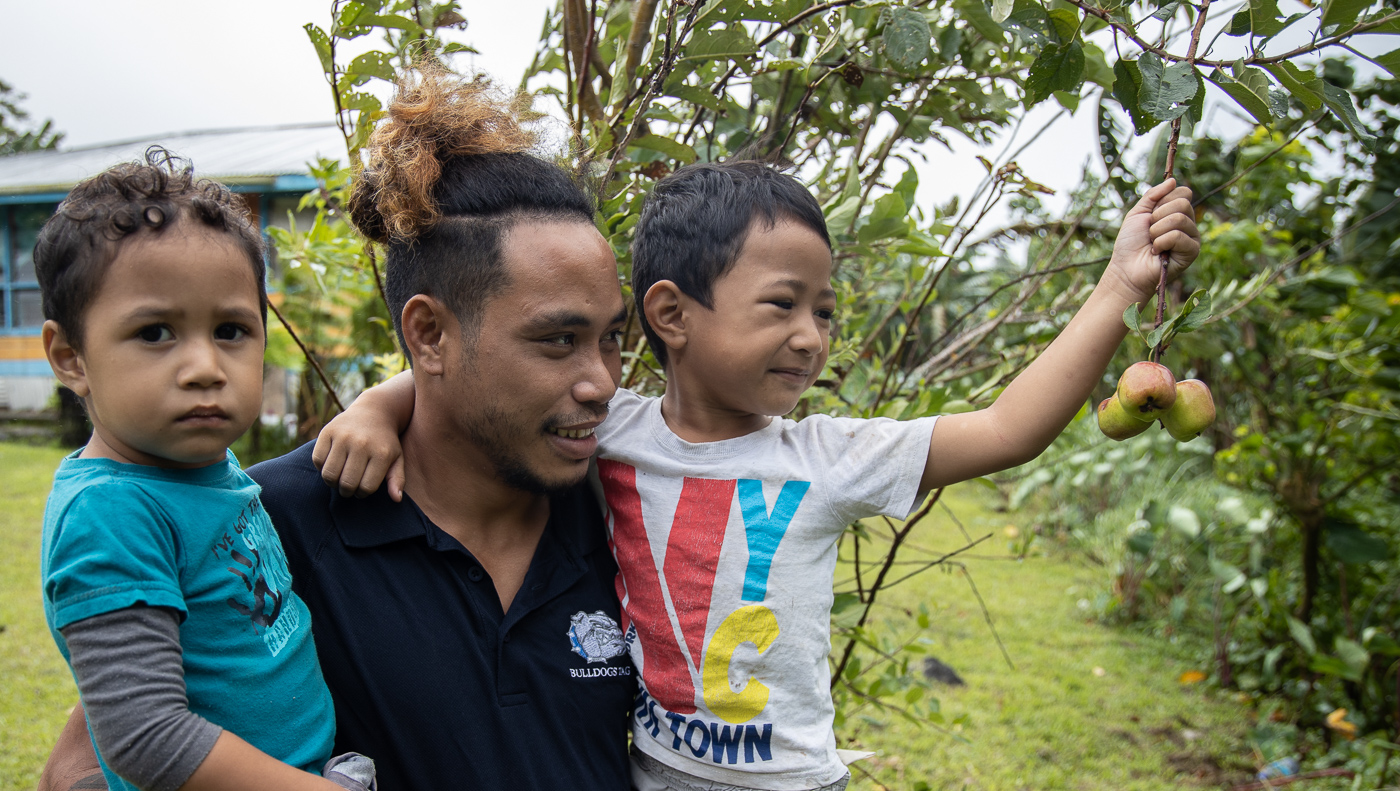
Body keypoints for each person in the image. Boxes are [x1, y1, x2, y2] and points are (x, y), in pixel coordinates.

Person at [318, 159, 1201, 790]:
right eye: (782, 305)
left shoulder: (824, 458)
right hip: (649, 770)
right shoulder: (610, 426)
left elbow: (1009, 428)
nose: (812, 335)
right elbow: (472, 373)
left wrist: (1120, 286)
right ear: (671, 314)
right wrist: (375, 407)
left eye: (823, 310)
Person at [39, 68, 638, 791]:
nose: (602, 381)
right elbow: (103, 750)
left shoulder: (629, 498)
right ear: (428, 335)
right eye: (557, 340)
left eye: (611, 337)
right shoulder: (281, 516)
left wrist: (383, 399)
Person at [34, 150, 374, 791]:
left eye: (230, 330)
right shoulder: (112, 515)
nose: (204, 367)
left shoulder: (200, 463)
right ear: (70, 356)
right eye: (156, 332)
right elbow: (147, 738)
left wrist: (381, 404)